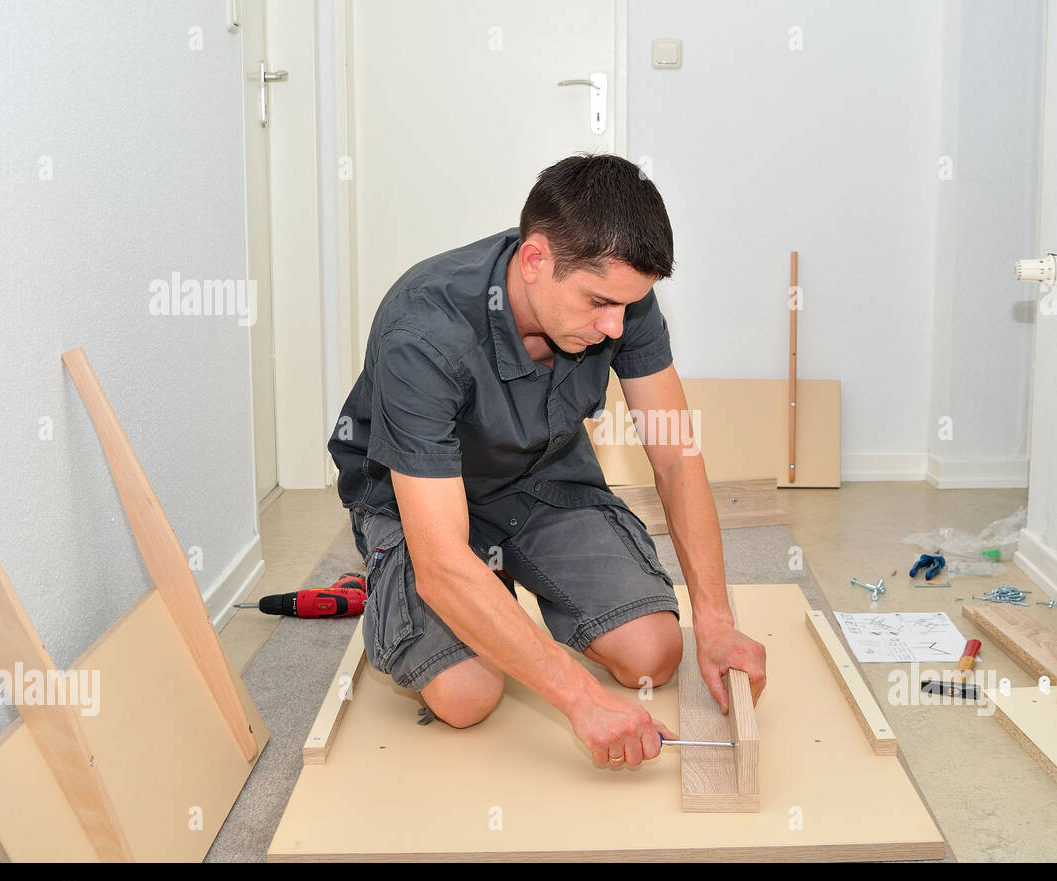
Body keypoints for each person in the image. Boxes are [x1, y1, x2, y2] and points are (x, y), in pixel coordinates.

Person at [328, 153, 766, 768]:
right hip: (417, 505)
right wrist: (581, 699)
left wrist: (716, 620)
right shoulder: (423, 332)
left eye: (627, 306)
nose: (615, 327)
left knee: (653, 656)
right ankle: (457, 593)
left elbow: (675, 459)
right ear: (535, 260)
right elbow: (444, 564)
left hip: (540, 482)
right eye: (598, 303)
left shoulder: (619, 299)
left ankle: (497, 601)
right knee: (466, 696)